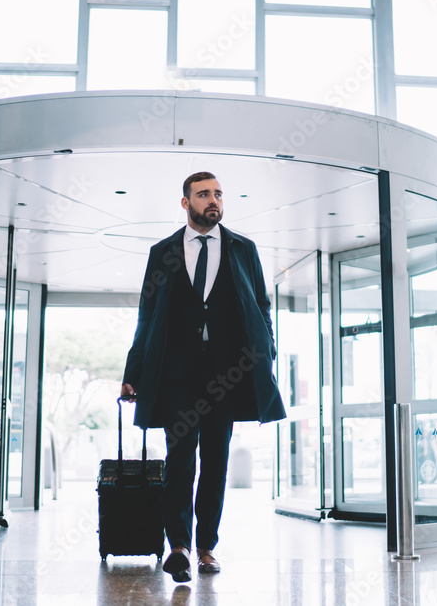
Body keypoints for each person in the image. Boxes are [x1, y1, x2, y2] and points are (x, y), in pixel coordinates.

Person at [120, 171, 286, 582]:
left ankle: (206, 546)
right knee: (180, 461)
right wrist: (132, 372)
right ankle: (178, 546)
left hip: (227, 372)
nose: (213, 200)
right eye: (203, 194)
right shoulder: (164, 252)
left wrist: (268, 348)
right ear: (186, 203)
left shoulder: (242, 248)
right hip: (177, 373)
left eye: (217, 194)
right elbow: (147, 317)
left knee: (215, 461)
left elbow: (261, 304)